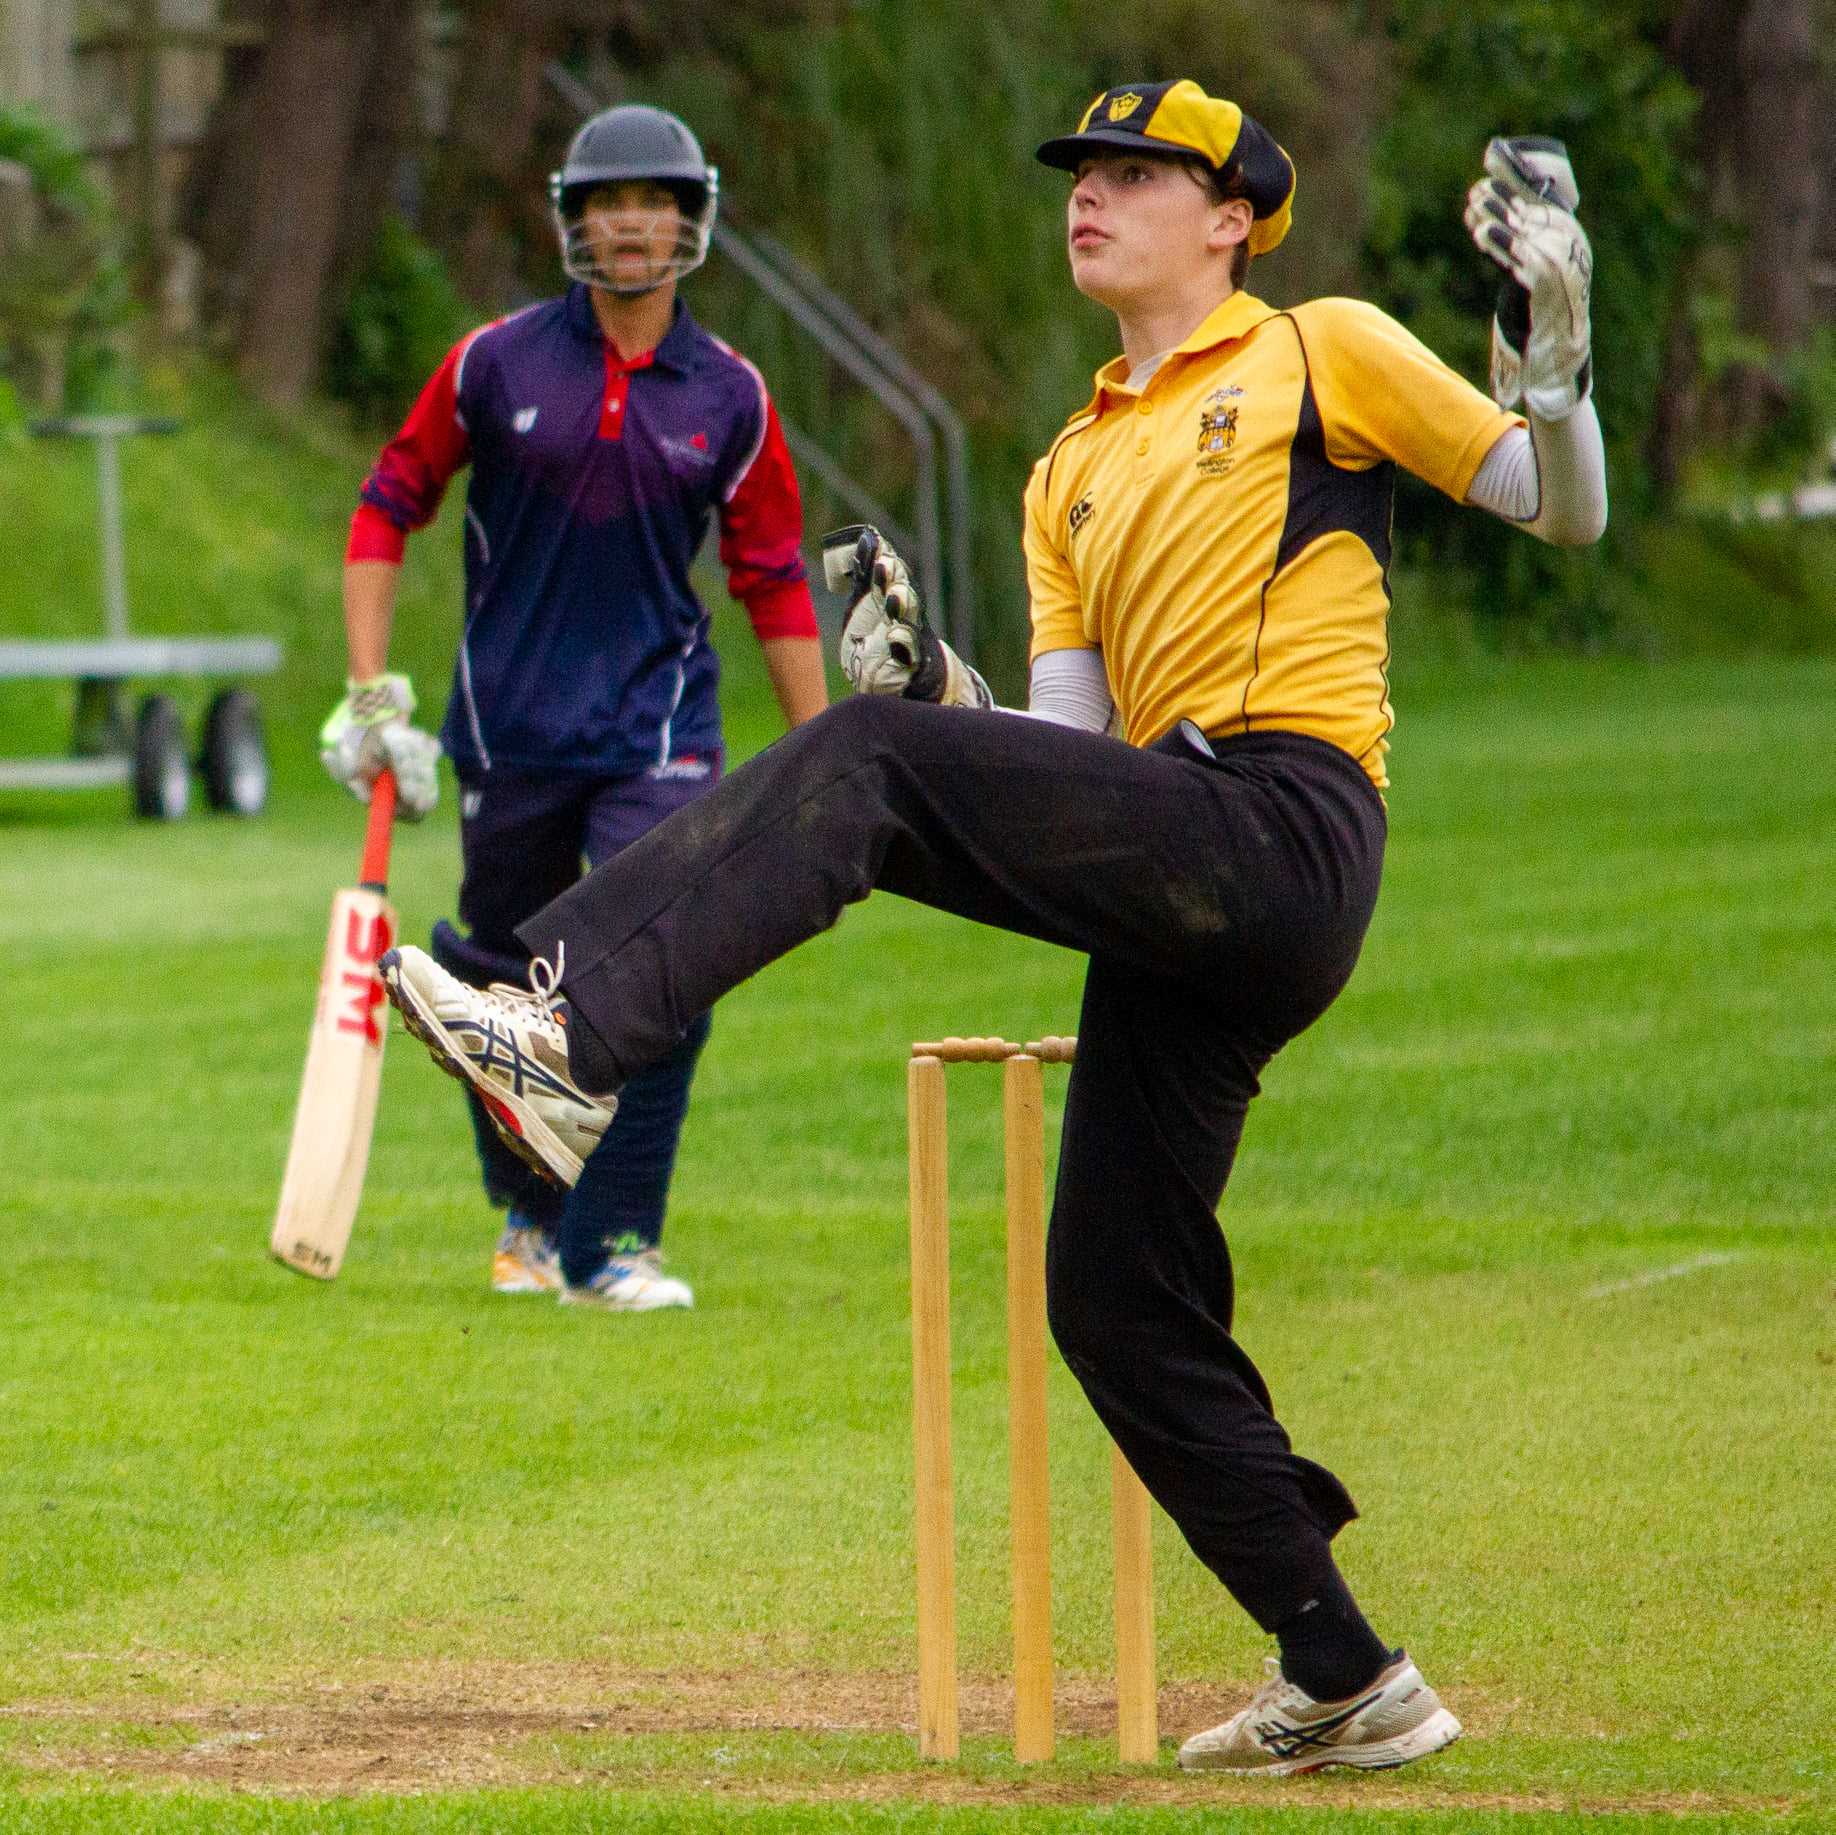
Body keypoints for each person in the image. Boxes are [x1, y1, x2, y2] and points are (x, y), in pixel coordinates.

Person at [377, 80, 1605, 1769]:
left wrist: (1555, 350)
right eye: (1078, 175)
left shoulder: (1321, 346)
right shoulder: (1067, 469)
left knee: (867, 766)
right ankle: (1345, 1672)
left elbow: (1561, 499)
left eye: (1131, 173)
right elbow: (1069, 764)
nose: (1088, 197)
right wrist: (952, 696)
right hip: (1174, 861)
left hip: (1282, 823)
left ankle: (569, 1034)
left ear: (1231, 214)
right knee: (1108, 1296)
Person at [318, 104, 828, 1312]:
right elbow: (389, 499)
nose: (634, 222)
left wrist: (826, 755)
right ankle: (533, 1222)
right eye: (611, 202)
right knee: (499, 985)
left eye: (656, 200)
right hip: (510, 726)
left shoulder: (733, 395)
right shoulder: (495, 363)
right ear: (574, 220)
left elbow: (773, 577)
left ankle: (613, 1245)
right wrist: (366, 682)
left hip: (658, 727)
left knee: (665, 961)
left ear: (691, 218)